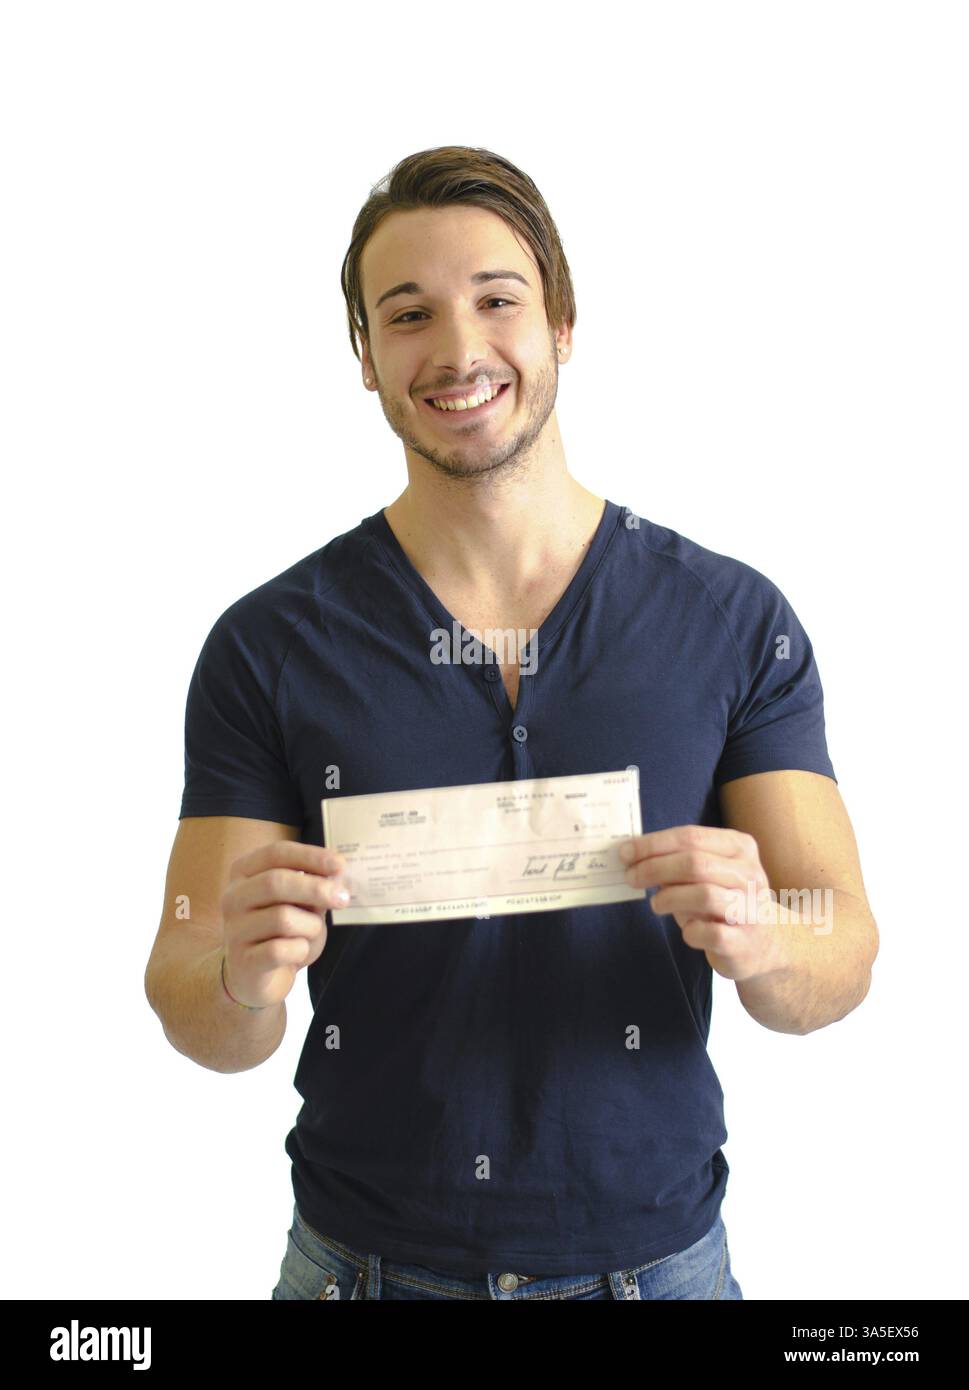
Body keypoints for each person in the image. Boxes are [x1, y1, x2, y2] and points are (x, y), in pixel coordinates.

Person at [145, 146, 878, 1301]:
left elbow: (841, 948)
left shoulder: (735, 621)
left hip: (660, 1270)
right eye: (407, 314)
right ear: (366, 357)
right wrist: (240, 977)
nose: (458, 348)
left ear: (563, 323)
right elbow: (191, 992)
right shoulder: (268, 644)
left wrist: (770, 935)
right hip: (360, 1270)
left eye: (497, 299)